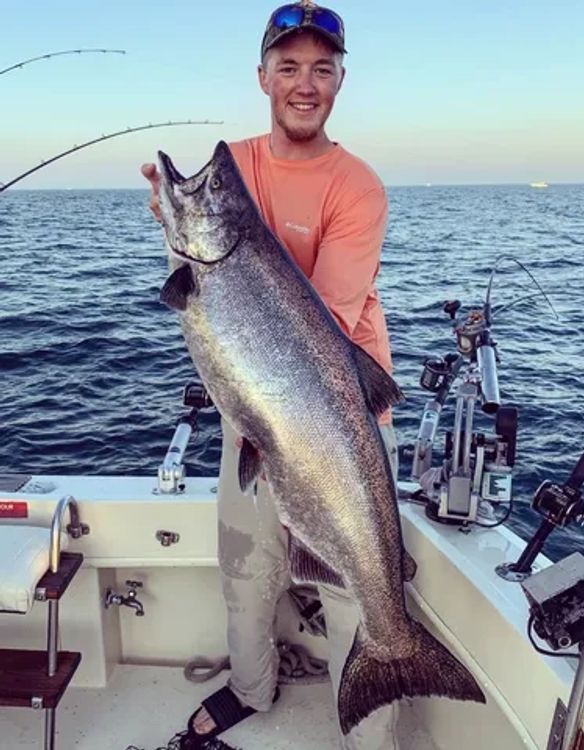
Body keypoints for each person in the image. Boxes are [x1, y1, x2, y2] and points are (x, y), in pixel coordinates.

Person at [142, 2, 402, 747]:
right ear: (263, 77)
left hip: (337, 414)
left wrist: (200, 252)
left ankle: (381, 696)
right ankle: (252, 688)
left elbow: (322, 323)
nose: (304, 83)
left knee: (355, 584)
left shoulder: (357, 187)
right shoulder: (241, 165)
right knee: (246, 570)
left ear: (340, 81)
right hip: (253, 410)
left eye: (322, 69)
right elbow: (203, 285)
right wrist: (175, 229)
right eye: (288, 67)